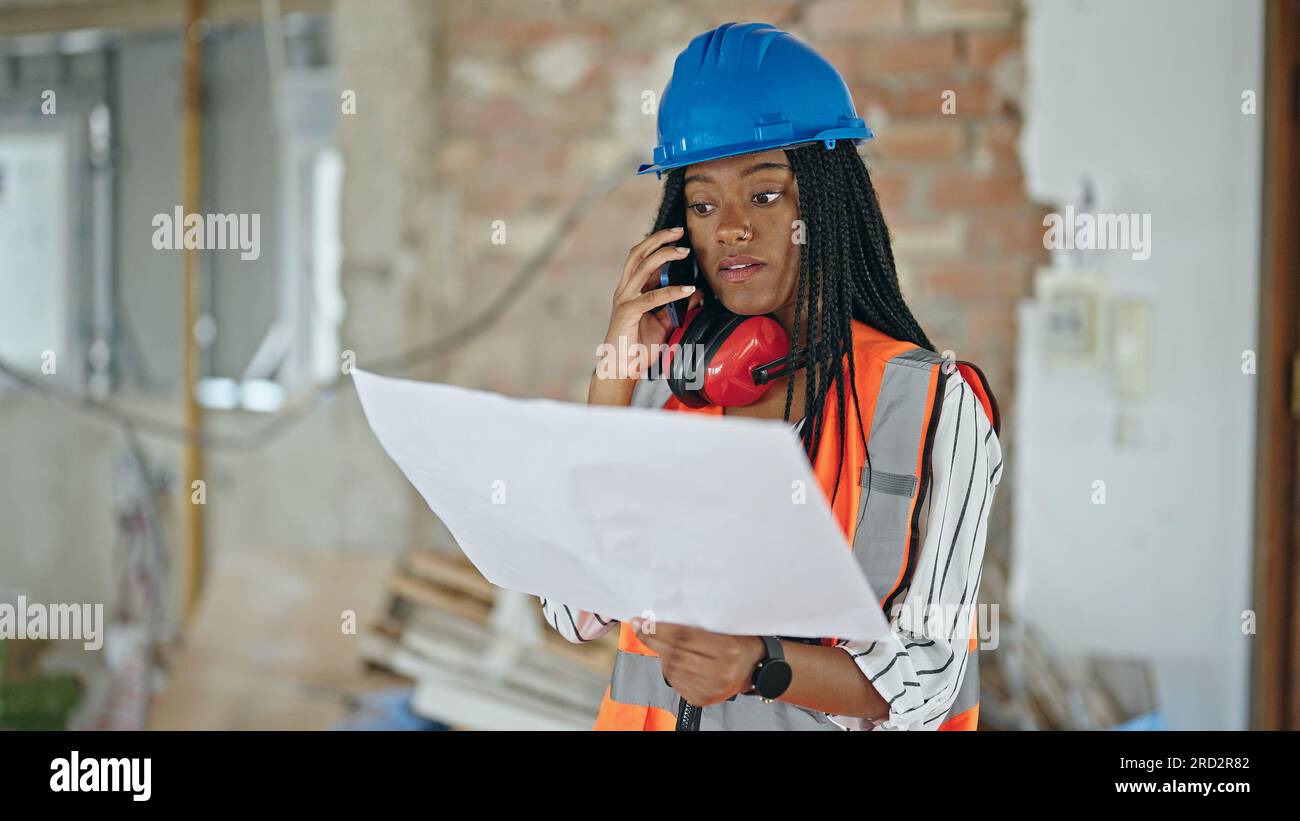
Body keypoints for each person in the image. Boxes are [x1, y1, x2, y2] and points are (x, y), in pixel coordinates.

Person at [540, 22, 1003, 731]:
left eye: (764, 196)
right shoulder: (667, 388)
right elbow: (571, 611)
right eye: (702, 203)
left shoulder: (931, 405)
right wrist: (616, 378)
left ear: (823, 203)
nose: (729, 227)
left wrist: (761, 663)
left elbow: (930, 676)